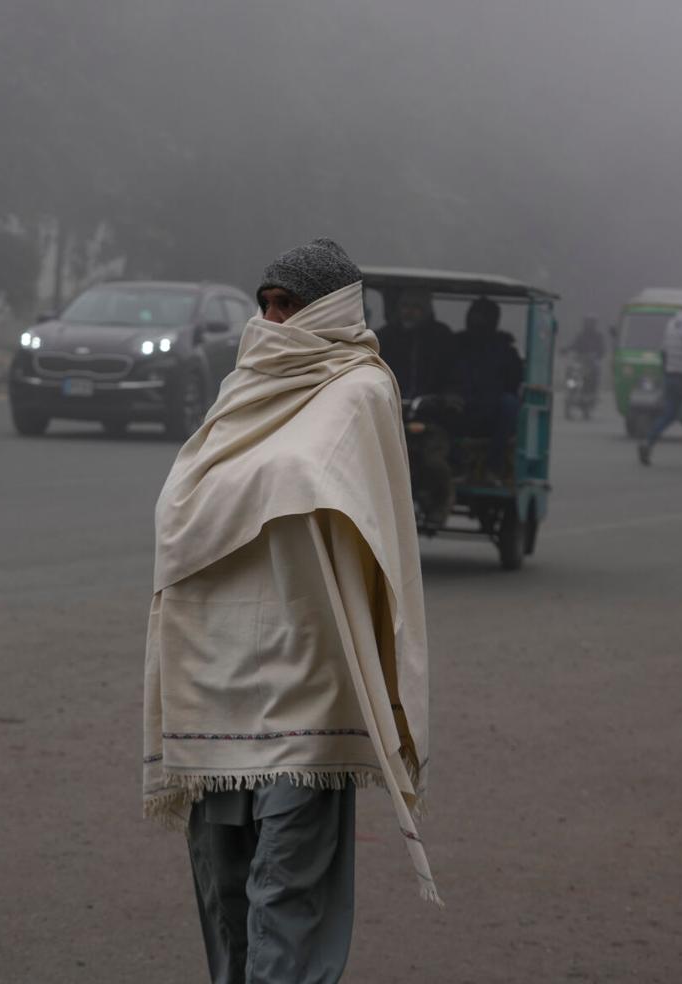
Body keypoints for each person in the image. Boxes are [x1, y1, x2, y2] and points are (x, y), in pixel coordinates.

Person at [144, 238, 439, 983]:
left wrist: (234, 499)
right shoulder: (241, 391)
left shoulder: (360, 390)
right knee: (226, 887)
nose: (274, 322)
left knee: (287, 886)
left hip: (310, 679)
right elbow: (179, 510)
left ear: (333, 309)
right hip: (214, 676)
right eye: (267, 305)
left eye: (291, 306)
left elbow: (323, 488)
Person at [378, 289, 458, 526]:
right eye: (405, 306)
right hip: (389, 413)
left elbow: (453, 374)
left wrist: (447, 398)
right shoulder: (384, 337)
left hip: (431, 416)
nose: (409, 312)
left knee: (433, 461)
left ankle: (440, 505)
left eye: (415, 307)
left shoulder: (442, 337)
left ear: (426, 310)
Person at [456, 296, 523, 484]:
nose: (478, 321)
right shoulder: (456, 344)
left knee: (510, 405)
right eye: (474, 316)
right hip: (458, 406)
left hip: (491, 411)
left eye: (483, 317)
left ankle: (493, 467)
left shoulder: (505, 349)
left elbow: (513, 381)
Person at [638, 293, 682, 467]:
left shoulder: (672, 323)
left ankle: (648, 441)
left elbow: (663, 351)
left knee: (668, 414)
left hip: (671, 375)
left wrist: (667, 372)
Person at [561, 315, 606, 394]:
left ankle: (591, 392)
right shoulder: (580, 335)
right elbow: (574, 344)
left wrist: (598, 355)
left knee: (595, 372)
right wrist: (565, 349)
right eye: (587, 322)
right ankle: (571, 387)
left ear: (594, 324)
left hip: (592, 361)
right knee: (571, 370)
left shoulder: (598, 336)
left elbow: (602, 349)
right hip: (580, 360)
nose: (589, 324)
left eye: (591, 323)